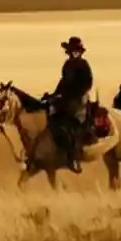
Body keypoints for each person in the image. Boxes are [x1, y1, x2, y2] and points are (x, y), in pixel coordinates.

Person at [48, 37, 93, 173]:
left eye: (76, 51)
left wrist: (74, 94)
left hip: (79, 97)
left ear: (80, 52)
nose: (74, 53)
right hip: (67, 97)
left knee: (73, 120)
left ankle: (74, 155)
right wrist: (54, 94)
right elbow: (63, 82)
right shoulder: (67, 65)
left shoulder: (84, 65)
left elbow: (88, 83)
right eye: (72, 51)